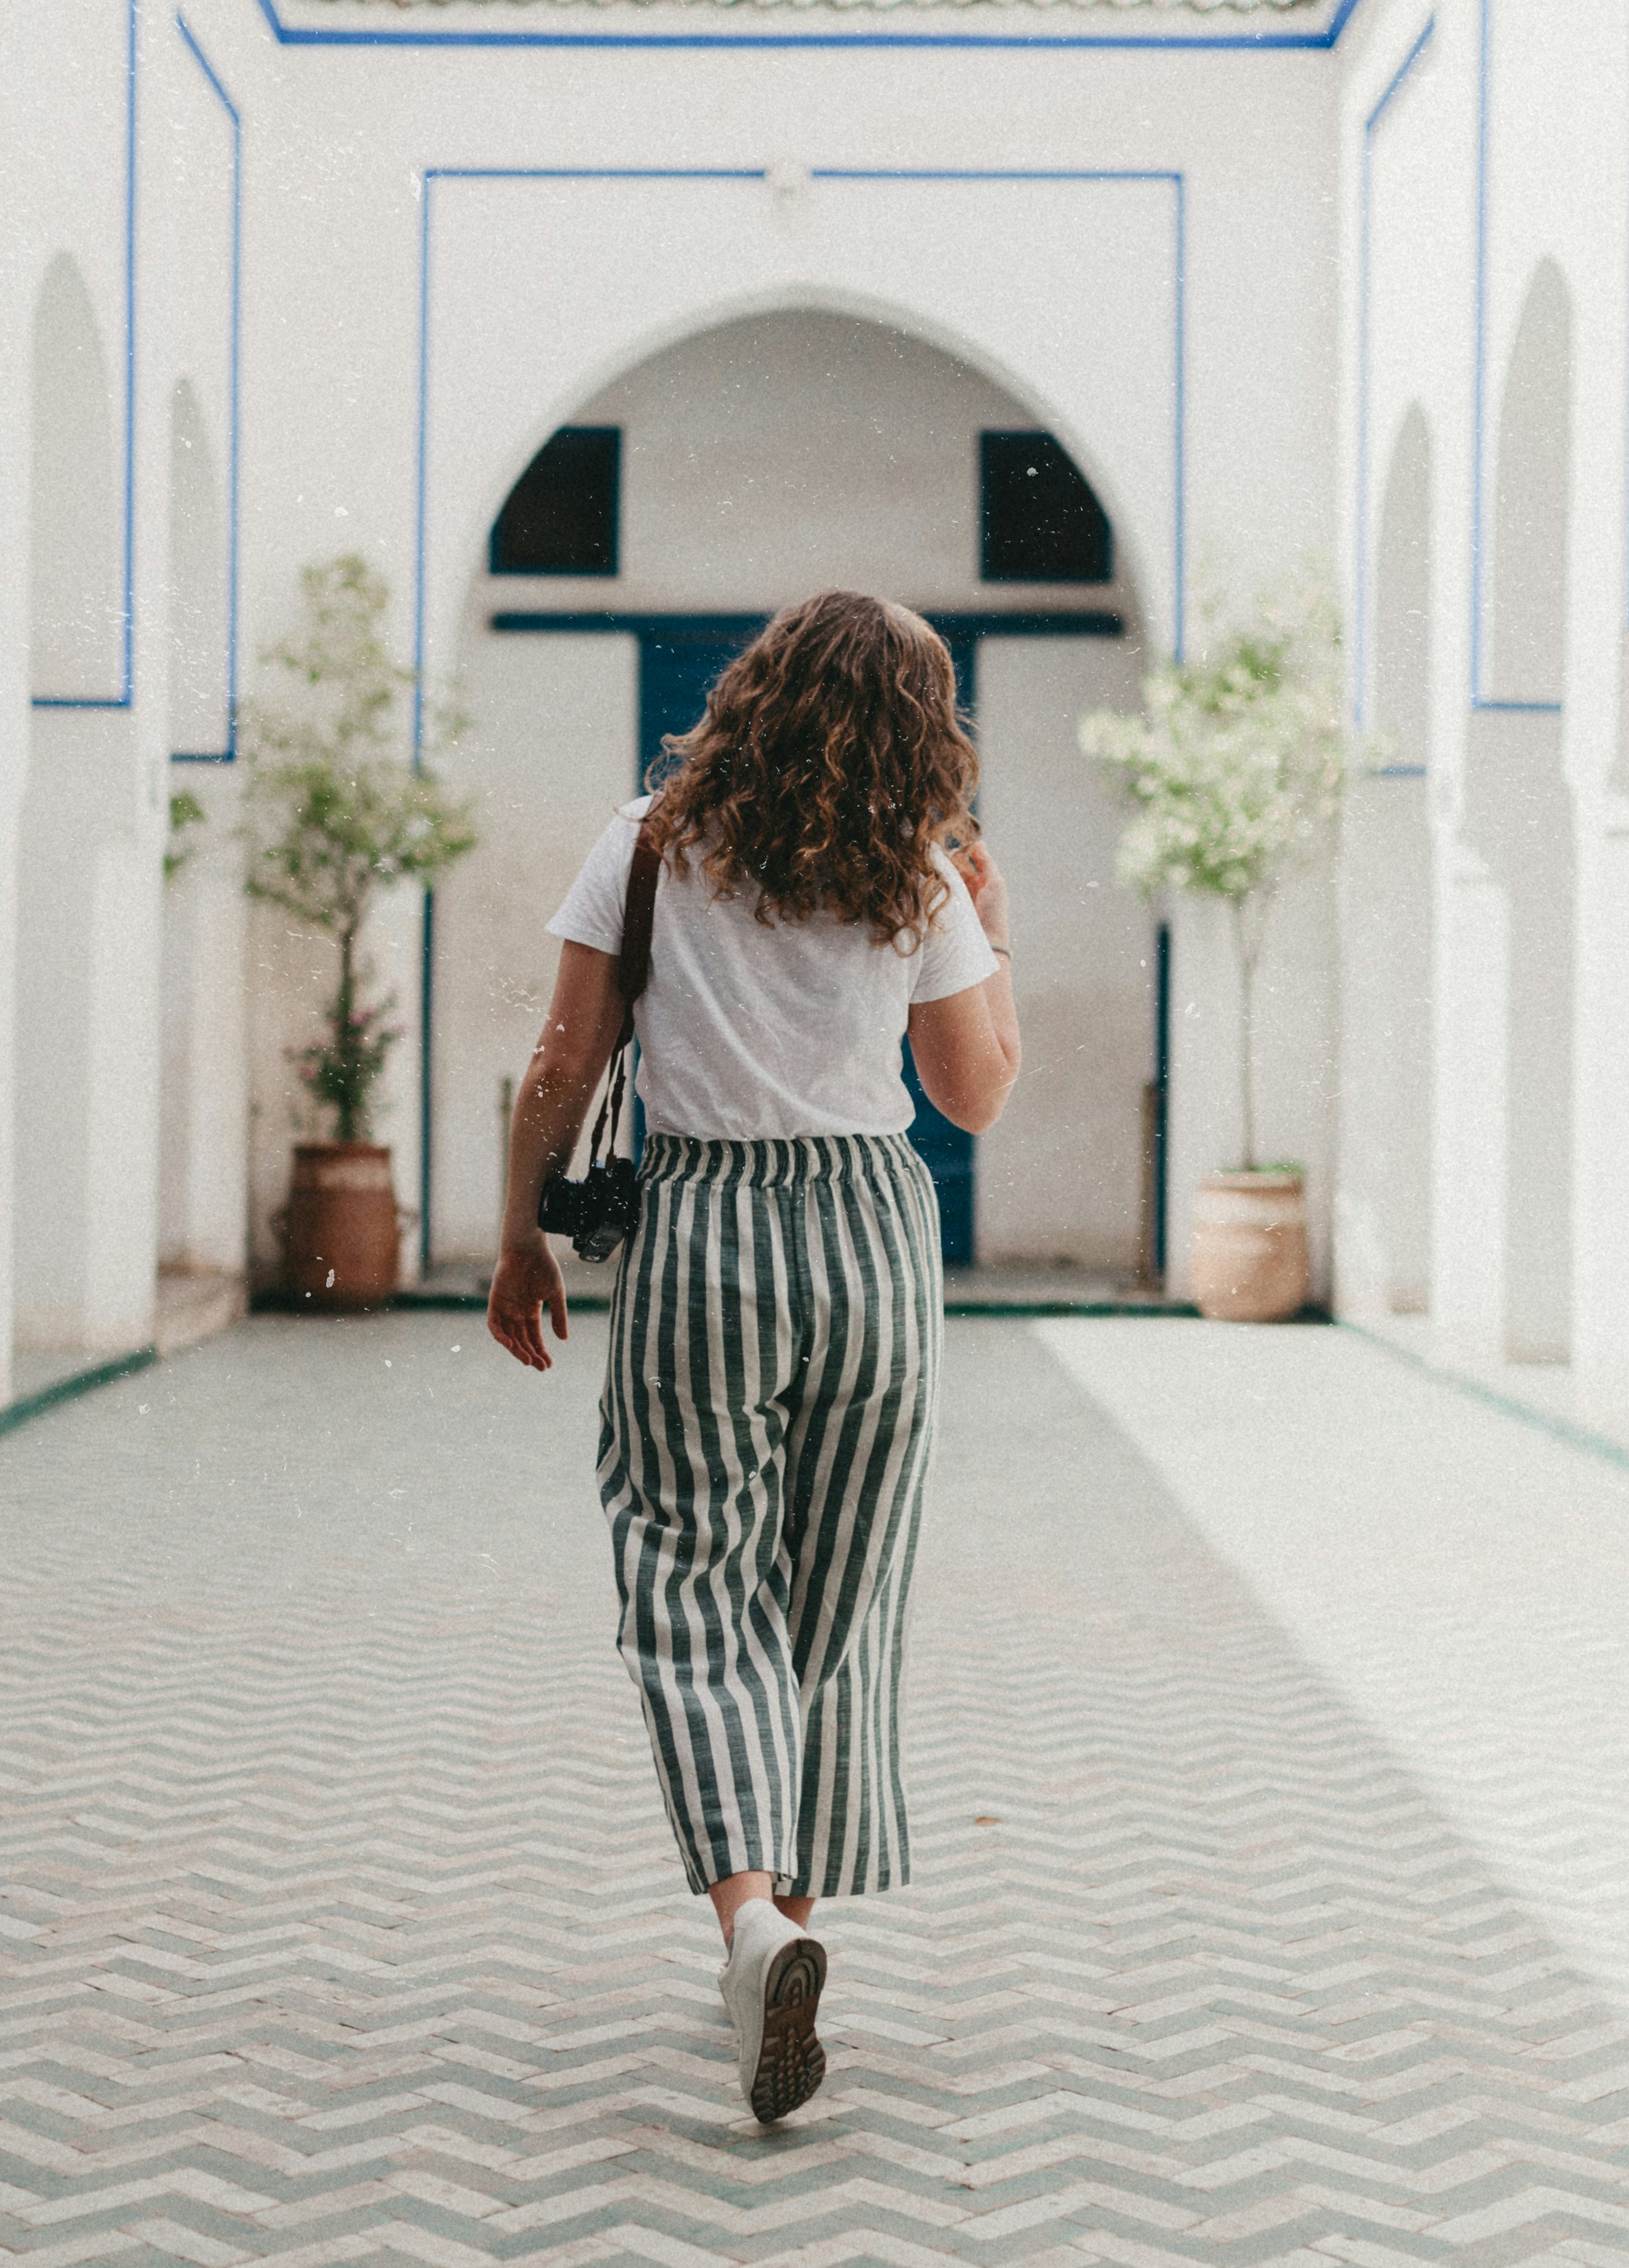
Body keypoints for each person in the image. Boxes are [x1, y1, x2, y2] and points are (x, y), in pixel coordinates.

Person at [488, 591, 1021, 2125]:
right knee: (830, 1589)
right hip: (870, 1234)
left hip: (704, 1227)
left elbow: (560, 1064)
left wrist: (522, 1235)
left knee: (686, 1568)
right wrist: (999, 928)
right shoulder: (922, 868)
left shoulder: (651, 839)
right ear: (920, 725)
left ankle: (752, 1923)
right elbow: (975, 1095)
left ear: (755, 689)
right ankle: (788, 1915)